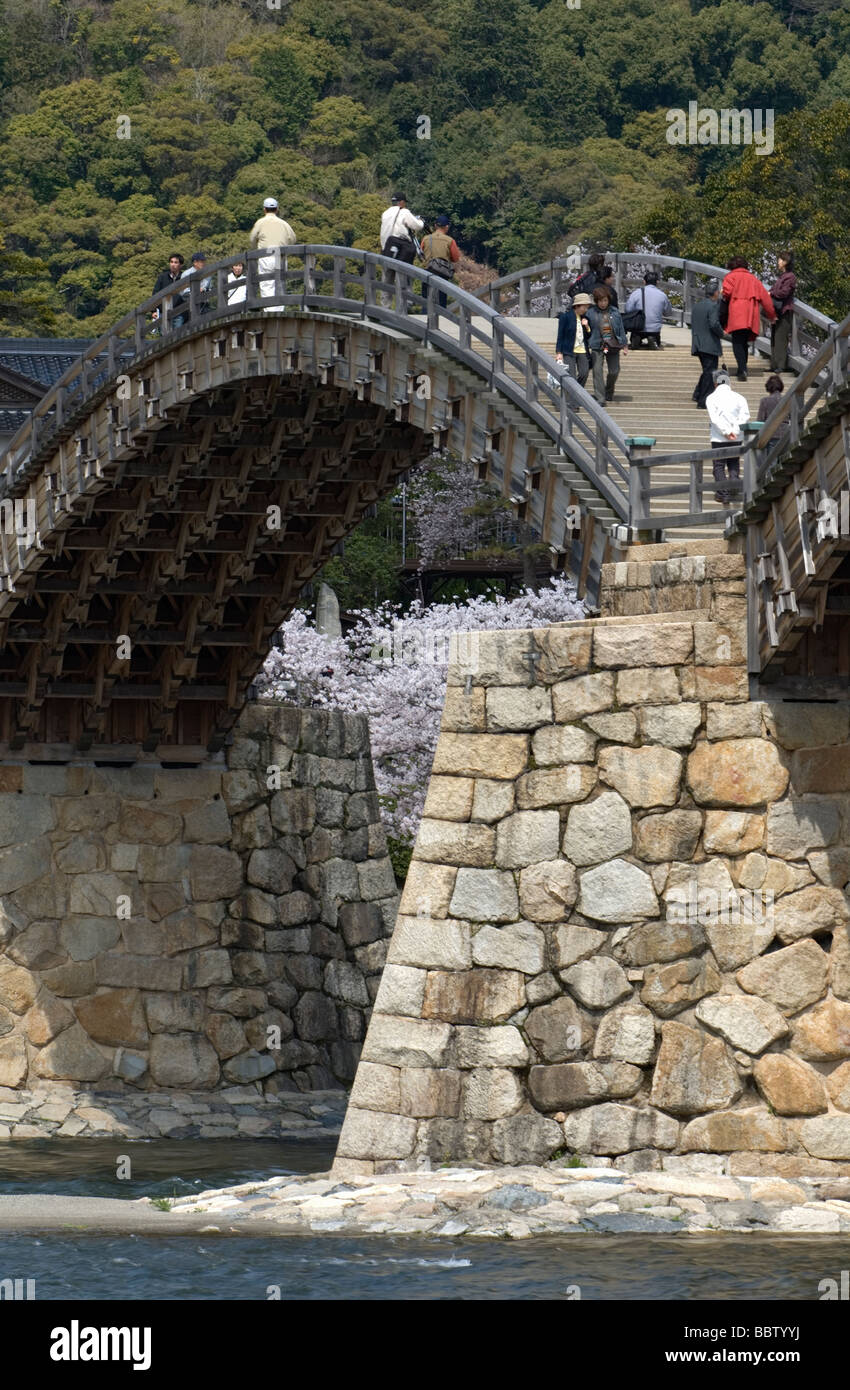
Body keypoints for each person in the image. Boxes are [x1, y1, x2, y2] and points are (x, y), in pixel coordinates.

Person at [721, 256, 776, 380]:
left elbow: (727, 293)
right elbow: (766, 300)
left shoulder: (730, 277)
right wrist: (772, 315)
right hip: (751, 315)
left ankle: (742, 369)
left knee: (737, 342)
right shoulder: (753, 279)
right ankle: (743, 367)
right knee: (743, 341)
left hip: (736, 313)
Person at [706, 367, 750, 504]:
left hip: (718, 437)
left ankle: (723, 493)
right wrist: (734, 431)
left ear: (715, 383)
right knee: (733, 462)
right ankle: (733, 483)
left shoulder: (711, 398)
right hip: (736, 437)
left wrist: (725, 431)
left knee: (718, 465)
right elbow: (745, 416)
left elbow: (714, 418)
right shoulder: (739, 397)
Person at [586, 285, 628, 403]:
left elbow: (620, 328)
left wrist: (624, 344)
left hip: (613, 344)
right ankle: (600, 397)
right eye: (600, 301)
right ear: (596, 301)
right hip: (597, 344)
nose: (603, 303)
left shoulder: (614, 312)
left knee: (614, 371)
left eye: (605, 300)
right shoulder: (590, 312)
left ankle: (609, 391)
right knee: (597, 371)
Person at [249, 197, 296, 299]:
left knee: (266, 284)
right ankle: (280, 310)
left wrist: (255, 250)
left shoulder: (260, 222)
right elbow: (293, 238)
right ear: (277, 209)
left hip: (265, 256)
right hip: (281, 256)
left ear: (264, 209)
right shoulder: (284, 223)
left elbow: (252, 239)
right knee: (280, 284)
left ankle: (269, 310)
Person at [690, 278, 724, 409]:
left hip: (698, 342)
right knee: (710, 372)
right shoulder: (713, 305)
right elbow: (714, 324)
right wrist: (722, 333)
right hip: (709, 344)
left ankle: (698, 393)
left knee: (707, 370)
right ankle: (703, 400)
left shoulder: (697, 305)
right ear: (715, 293)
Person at [420, 215, 460, 309]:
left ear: (435, 226)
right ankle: (441, 319)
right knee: (442, 299)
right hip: (443, 272)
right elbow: (456, 258)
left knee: (426, 298)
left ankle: (425, 317)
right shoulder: (450, 240)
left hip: (428, 270)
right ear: (446, 227)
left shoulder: (426, 238)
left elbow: (421, 252)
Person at [624, 271, 672, 349]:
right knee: (654, 334)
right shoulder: (662, 295)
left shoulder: (636, 293)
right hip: (654, 329)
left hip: (638, 327)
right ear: (657, 282)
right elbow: (668, 313)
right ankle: (652, 338)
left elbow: (628, 310)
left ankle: (636, 339)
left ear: (644, 281)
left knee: (637, 332)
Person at [554, 291, 592, 387]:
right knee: (571, 376)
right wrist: (559, 352)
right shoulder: (565, 317)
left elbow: (588, 336)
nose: (586, 309)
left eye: (587, 307)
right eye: (584, 307)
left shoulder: (585, 319)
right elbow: (560, 335)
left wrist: (587, 326)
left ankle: (577, 393)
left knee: (584, 373)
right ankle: (572, 398)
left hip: (582, 350)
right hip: (568, 350)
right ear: (577, 306)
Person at [769, 251, 797, 374]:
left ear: (785, 262)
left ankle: (781, 365)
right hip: (776, 310)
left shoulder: (790, 277)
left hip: (784, 310)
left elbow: (784, 293)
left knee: (781, 338)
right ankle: (774, 364)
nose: (778, 262)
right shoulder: (782, 276)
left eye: (780, 260)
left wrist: (771, 293)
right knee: (774, 337)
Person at [380, 194, 424, 265]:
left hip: (386, 249)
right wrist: (422, 221)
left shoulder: (385, 213)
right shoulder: (404, 212)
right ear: (402, 202)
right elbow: (417, 226)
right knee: (400, 273)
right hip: (400, 249)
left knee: (387, 273)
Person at [151, 253, 185, 324]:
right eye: (171, 262)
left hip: (179, 312)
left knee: (177, 334)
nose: (173, 264)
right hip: (162, 312)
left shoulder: (184, 277)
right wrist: (154, 310)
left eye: (176, 262)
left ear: (181, 265)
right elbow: (155, 293)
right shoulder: (163, 277)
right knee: (164, 335)